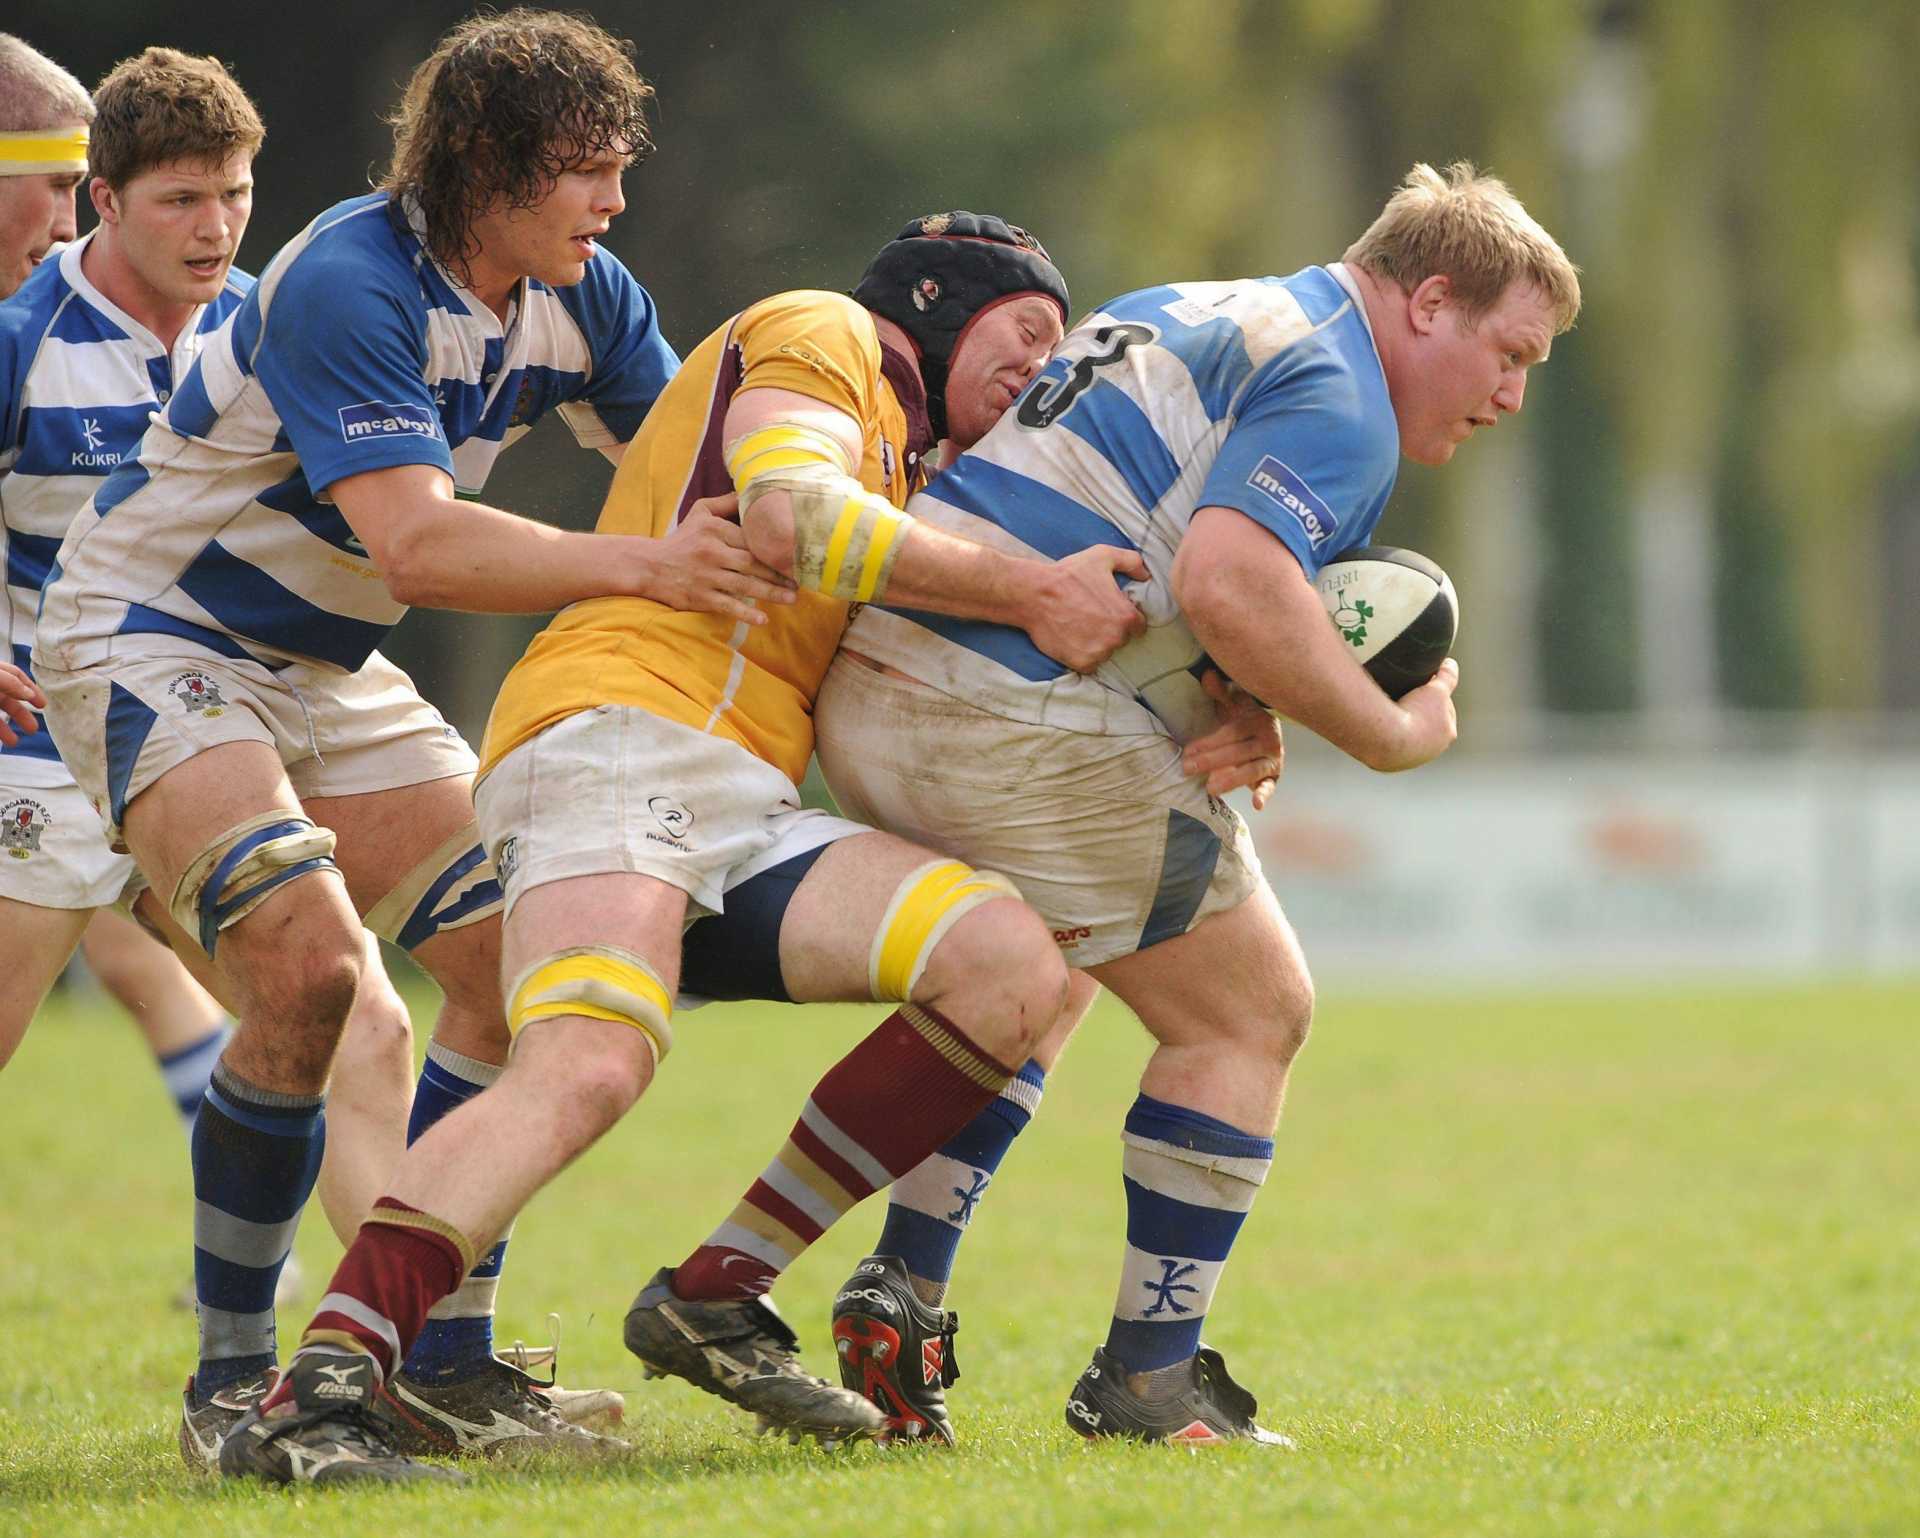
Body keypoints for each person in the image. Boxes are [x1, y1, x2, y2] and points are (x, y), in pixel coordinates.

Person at [211, 209, 1271, 1486]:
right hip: (621, 735)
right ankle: (319, 1383)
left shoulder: (930, 475)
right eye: (1029, 330)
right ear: (936, 300)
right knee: (591, 1060)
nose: (1041, 369)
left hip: (745, 798)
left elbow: (1097, 613)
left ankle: (719, 1286)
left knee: (1015, 964)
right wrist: (1032, 592)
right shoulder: (823, 331)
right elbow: (789, 514)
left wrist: (1239, 703)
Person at [30, 9, 757, 1469]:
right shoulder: (349, 276)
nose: (612, 201)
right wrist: (648, 567)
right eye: (581, 169)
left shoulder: (587, 293)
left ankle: (447, 1363)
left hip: (324, 662)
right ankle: (236, 1392)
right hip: (154, 633)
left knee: (514, 968)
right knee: (302, 978)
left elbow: (699, 473)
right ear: (484, 165)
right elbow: (418, 545)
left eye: (620, 168)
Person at [796, 162, 1584, 1445]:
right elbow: (1231, 578)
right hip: (999, 705)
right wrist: (1389, 731)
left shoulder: (1201, 304)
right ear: (1431, 300)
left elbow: (1136, 539)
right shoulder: (1345, 389)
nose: (1512, 391)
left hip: (883, 675)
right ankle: (1150, 1378)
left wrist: (1234, 694)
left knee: (1040, 974)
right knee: (1252, 1013)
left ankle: (903, 1289)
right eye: (1511, 352)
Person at [0, 42, 418, 1340]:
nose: (215, 224)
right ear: (110, 198)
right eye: (180, 196)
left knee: (360, 1019)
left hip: (197, 728)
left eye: (231, 195)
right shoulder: (24, 339)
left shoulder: (273, 323)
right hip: (38, 743)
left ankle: (417, 1347)